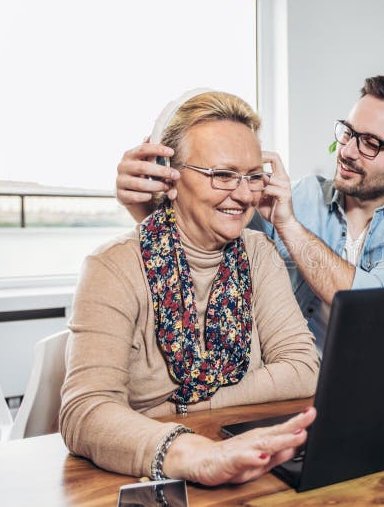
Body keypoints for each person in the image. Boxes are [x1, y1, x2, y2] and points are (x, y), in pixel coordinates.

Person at [60, 90, 320, 485]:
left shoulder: (259, 253)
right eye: (222, 175)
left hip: (243, 455)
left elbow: (303, 370)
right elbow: (86, 410)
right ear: (170, 179)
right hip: (147, 474)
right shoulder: (112, 266)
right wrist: (193, 453)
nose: (245, 193)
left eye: (252, 175)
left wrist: (177, 408)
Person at [117, 76, 384, 352]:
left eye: (371, 144)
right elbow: (204, 245)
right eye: (349, 132)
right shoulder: (306, 193)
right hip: (294, 382)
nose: (348, 151)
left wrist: (289, 225)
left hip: (383, 383)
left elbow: (377, 309)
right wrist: (143, 202)